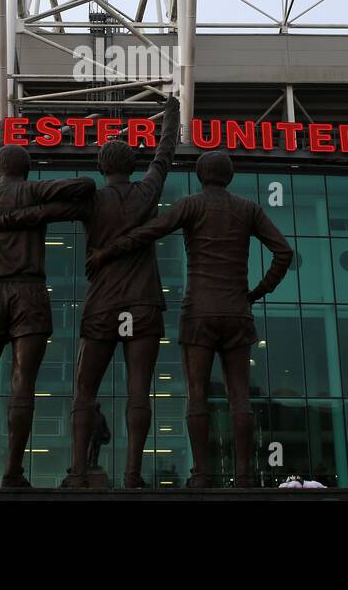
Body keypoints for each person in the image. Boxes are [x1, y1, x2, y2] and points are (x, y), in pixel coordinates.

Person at [0, 96, 180, 488]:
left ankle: (78, 472)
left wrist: (3, 221)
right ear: (132, 166)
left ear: (101, 168)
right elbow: (165, 152)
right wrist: (172, 112)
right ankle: (133, 475)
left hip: (102, 305)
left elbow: (43, 214)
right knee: (139, 390)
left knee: (85, 391)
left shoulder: (92, 200)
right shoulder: (148, 190)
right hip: (144, 303)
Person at [89, 149, 294, 488]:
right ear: (229, 176)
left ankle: (200, 475)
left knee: (197, 394)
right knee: (240, 397)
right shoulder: (248, 209)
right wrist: (258, 292)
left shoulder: (190, 205)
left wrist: (107, 252)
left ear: (200, 176)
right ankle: (244, 476)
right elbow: (283, 252)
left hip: (199, 311)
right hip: (237, 310)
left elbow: (148, 232)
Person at [0, 145, 95, 488]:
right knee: (23, 384)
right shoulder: (34, 190)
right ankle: (13, 472)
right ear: (26, 169)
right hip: (29, 293)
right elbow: (85, 184)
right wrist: (40, 210)